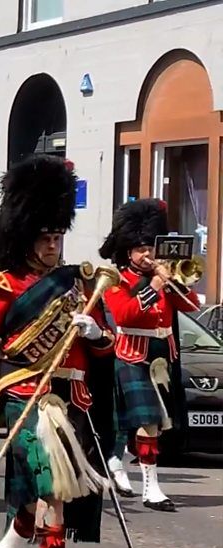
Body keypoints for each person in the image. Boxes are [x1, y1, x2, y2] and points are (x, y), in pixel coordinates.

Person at [0, 155, 112, 548]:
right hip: (27, 393)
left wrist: (94, 334)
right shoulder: (0, 284)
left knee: (39, 493)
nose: (53, 246)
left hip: (71, 394)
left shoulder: (78, 283)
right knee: (53, 488)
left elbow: (105, 344)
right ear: (24, 236)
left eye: (58, 237)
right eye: (45, 238)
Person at [99, 198, 200, 512]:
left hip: (162, 357)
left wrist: (174, 283)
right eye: (141, 249)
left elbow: (193, 306)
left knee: (158, 422)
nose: (148, 255)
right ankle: (151, 487)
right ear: (128, 251)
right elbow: (126, 314)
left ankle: (120, 457)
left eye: (151, 249)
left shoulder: (167, 280)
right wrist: (155, 284)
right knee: (148, 420)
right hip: (132, 355)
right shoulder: (117, 282)